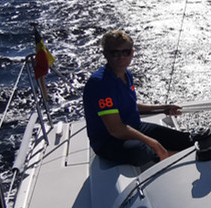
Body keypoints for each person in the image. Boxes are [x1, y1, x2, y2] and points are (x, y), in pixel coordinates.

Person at [83, 30, 194, 167]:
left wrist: (163, 108)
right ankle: (173, 157)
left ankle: (178, 153)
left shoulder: (126, 74)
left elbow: (131, 106)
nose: (121, 57)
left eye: (126, 52)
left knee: (185, 139)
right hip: (108, 140)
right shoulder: (100, 84)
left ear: (132, 53)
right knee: (141, 152)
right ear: (105, 54)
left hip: (133, 126)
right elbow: (116, 130)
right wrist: (153, 143)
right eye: (115, 53)